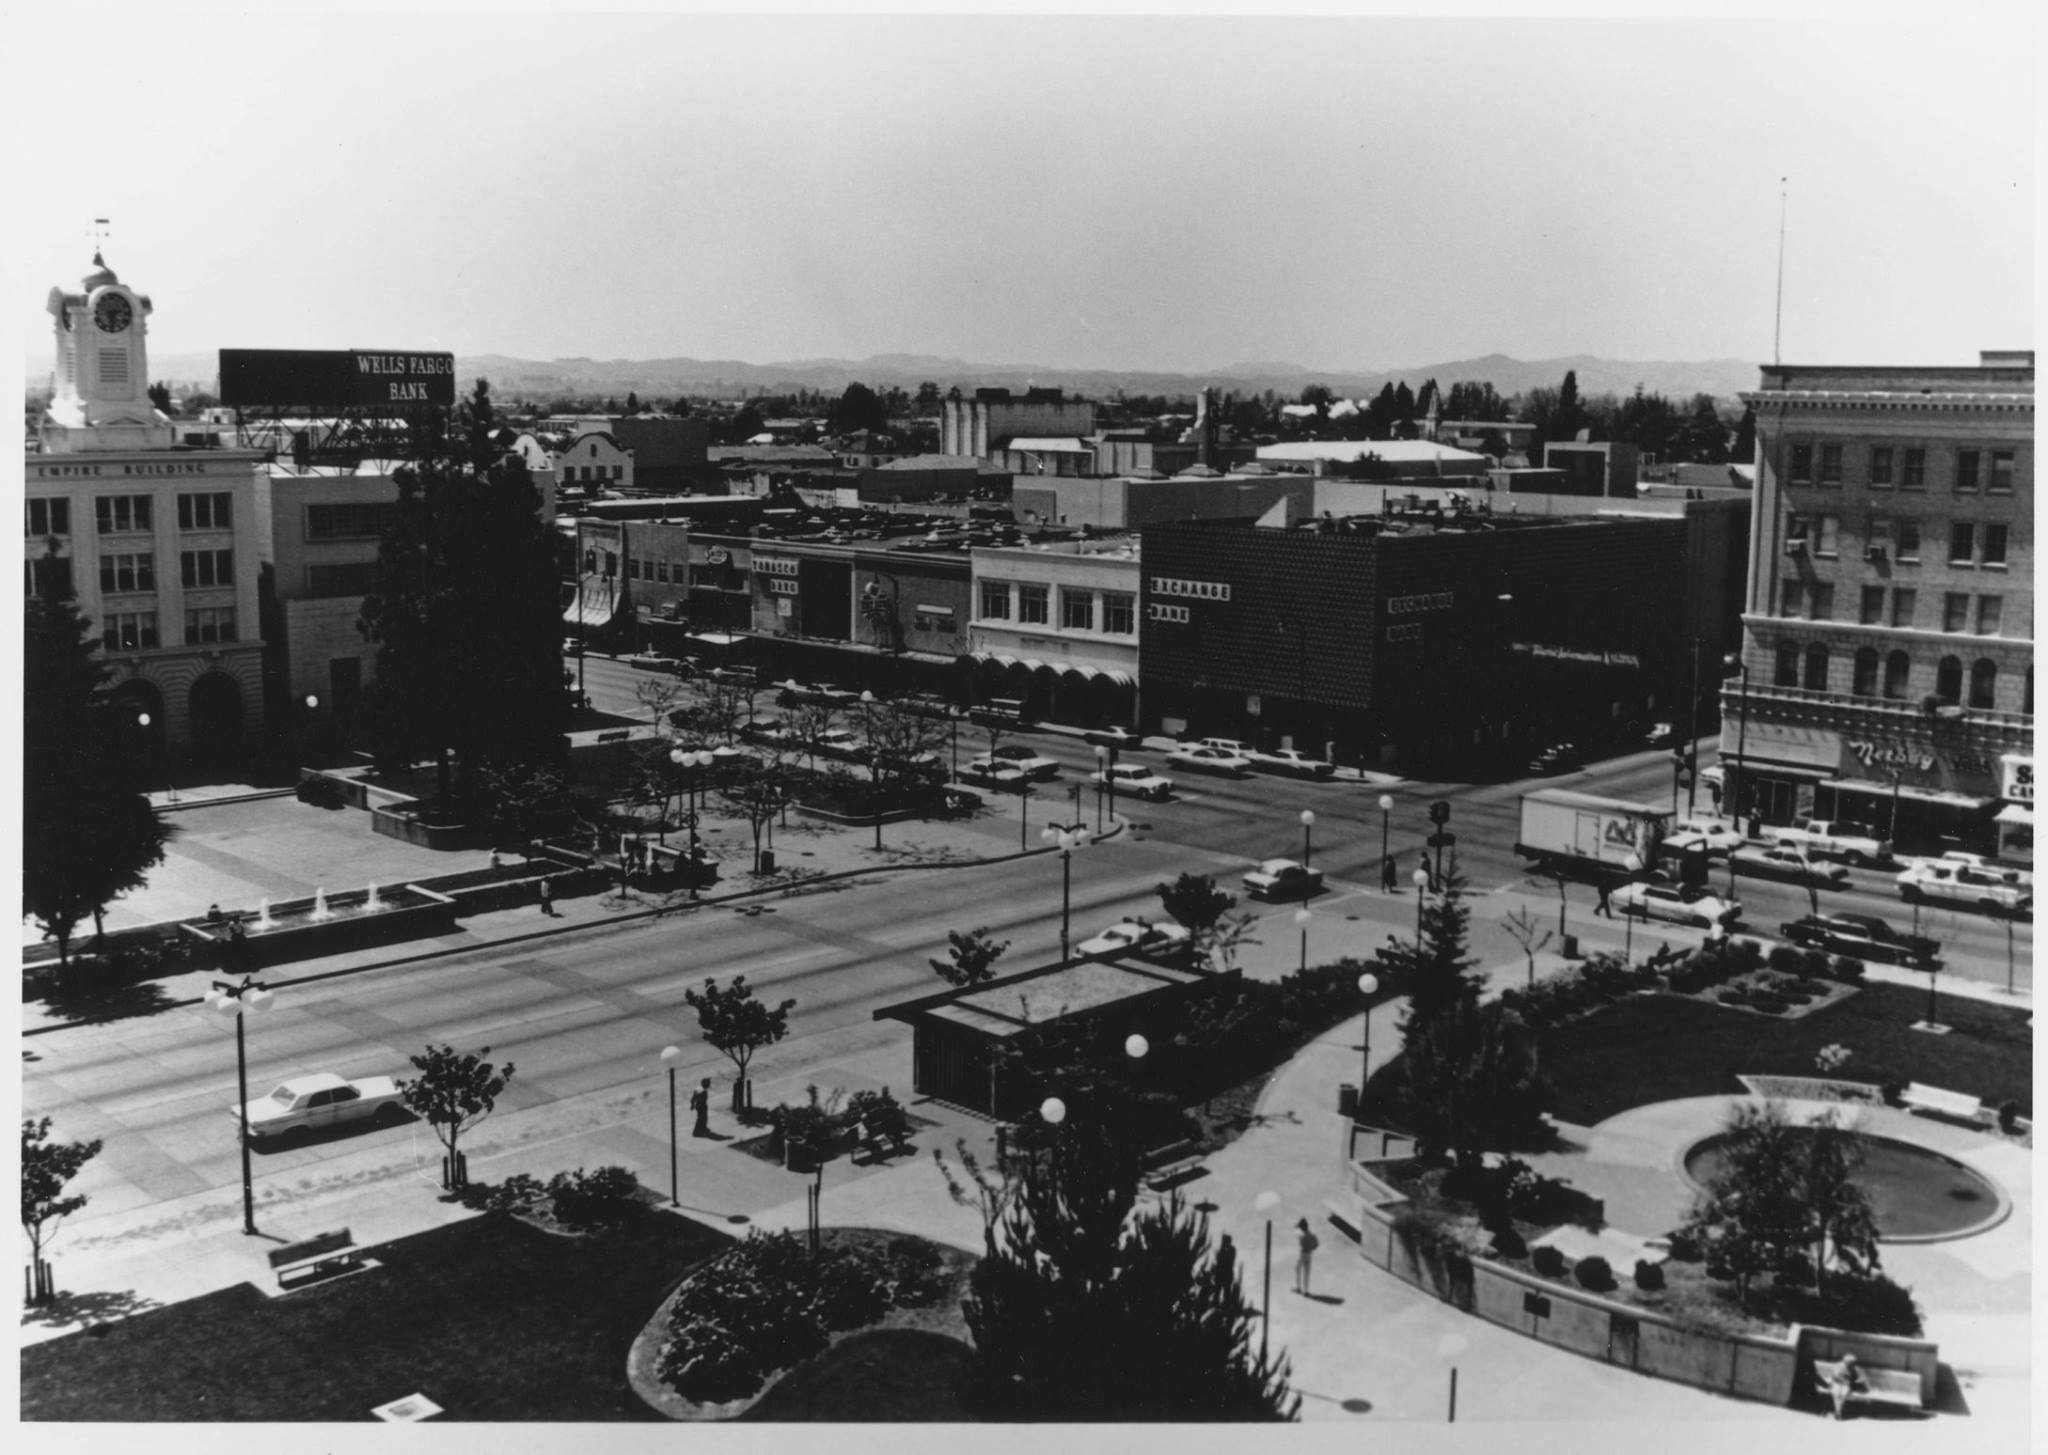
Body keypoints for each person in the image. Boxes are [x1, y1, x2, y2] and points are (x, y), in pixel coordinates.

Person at [1827, 1353, 1868, 1419]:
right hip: (1837, 1383)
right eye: (1850, 1363)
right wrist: (1846, 1382)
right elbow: (1836, 1376)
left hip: (1847, 1385)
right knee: (1836, 1393)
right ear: (1845, 1361)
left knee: (1843, 1394)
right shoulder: (1838, 1366)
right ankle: (1838, 1412)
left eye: (1852, 1363)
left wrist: (1858, 1381)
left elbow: (1858, 1378)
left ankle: (1838, 1412)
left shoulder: (1854, 1369)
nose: (1851, 1365)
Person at [1294, 1218, 1318, 1295]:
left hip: (1303, 1254)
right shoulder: (1311, 1235)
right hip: (1309, 1254)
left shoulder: (1301, 1235)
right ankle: (1306, 1291)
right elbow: (1316, 1244)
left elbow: (1295, 1228)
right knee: (1306, 1272)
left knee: (1298, 1269)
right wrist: (1311, 1247)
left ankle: (1298, 1288)